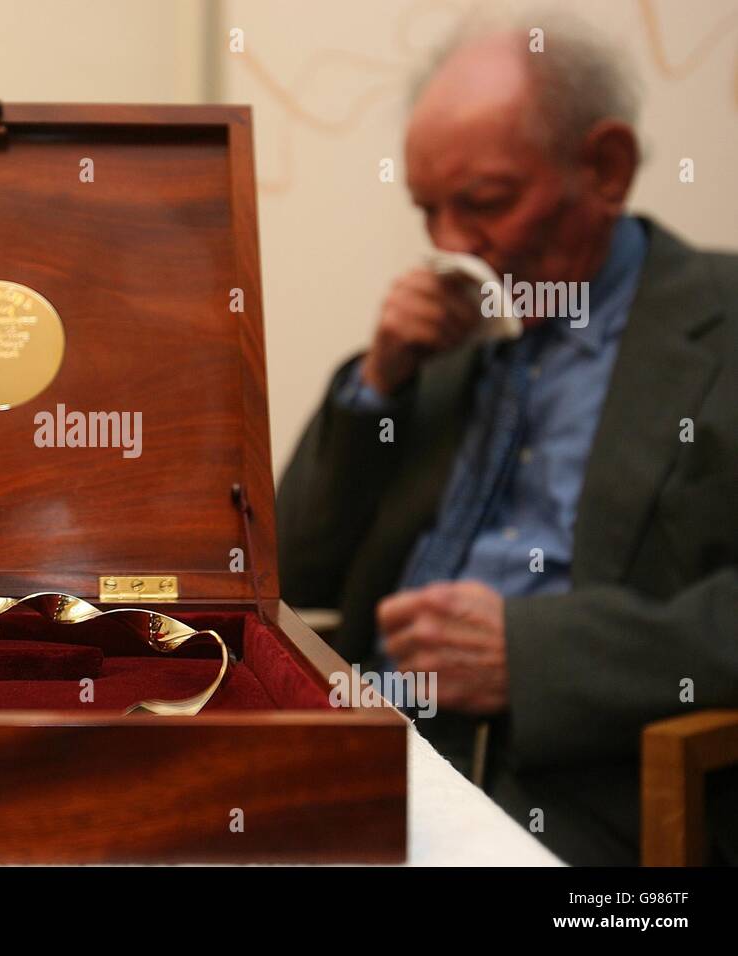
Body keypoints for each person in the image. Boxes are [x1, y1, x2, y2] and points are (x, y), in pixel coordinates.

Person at [275, 19, 738, 865]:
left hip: (574, 787)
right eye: (426, 211)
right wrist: (379, 383)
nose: (448, 247)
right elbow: (289, 571)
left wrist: (534, 654)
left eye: (483, 204)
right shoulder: (446, 354)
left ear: (605, 168)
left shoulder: (722, 327)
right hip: (366, 745)